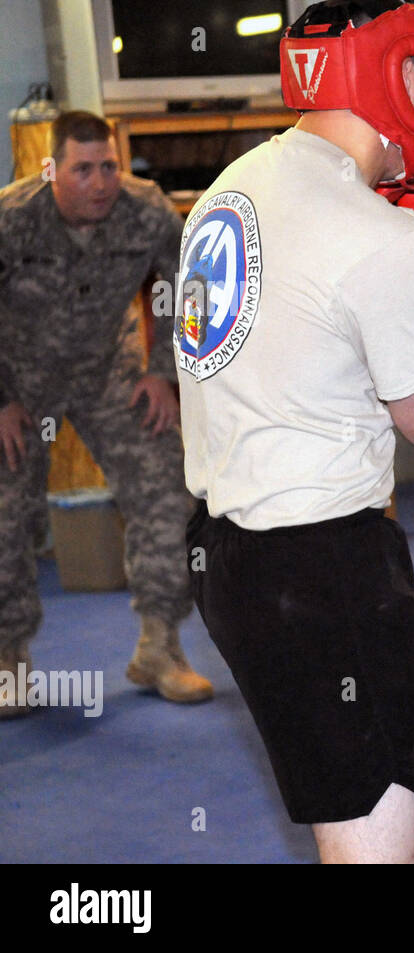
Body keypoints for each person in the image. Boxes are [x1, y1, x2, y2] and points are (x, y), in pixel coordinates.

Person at [178, 0, 414, 863]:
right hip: (323, 574)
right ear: (408, 75)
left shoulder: (233, 190)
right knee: (377, 847)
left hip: (243, 553)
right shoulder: (372, 235)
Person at [0, 110, 213, 719]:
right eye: (83, 169)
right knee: (7, 516)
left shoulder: (146, 210)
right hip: (20, 381)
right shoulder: (14, 217)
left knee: (168, 494)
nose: (99, 182)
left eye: (109, 167)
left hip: (109, 372)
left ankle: (160, 649)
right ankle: (7, 660)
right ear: (54, 168)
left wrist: (163, 371)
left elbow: (186, 281)